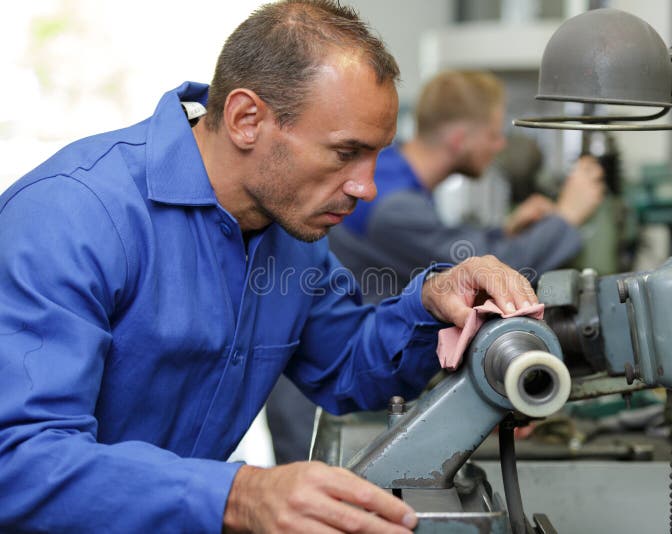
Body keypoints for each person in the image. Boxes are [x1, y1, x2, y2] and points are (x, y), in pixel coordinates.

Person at [0, 2, 541, 533]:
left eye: (375, 155)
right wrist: (239, 495)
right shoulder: (71, 217)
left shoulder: (291, 235)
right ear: (246, 119)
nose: (367, 187)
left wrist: (431, 302)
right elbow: (20, 464)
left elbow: (348, 364)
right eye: (343, 152)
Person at [328, 70, 606, 303]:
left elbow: (445, 245)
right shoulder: (396, 207)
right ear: (459, 139)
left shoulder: (389, 170)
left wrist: (506, 232)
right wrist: (567, 215)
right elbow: (487, 275)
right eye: (493, 135)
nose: (500, 145)